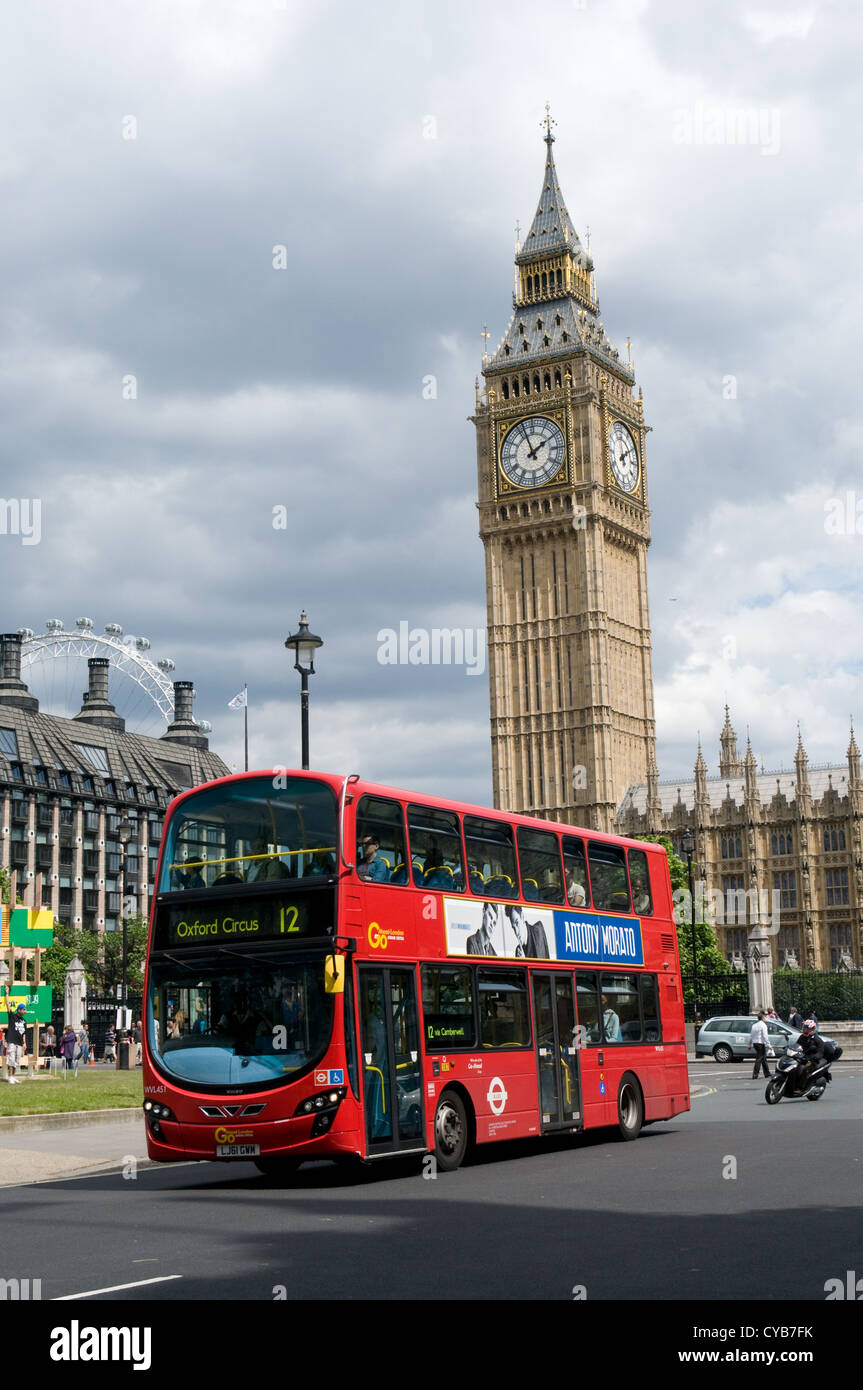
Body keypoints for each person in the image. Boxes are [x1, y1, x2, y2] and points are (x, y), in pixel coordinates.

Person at [3, 986, 28, 1083]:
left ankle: (13, 1076)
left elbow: (24, 1033)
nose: (25, 1011)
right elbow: (8, 1005)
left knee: (17, 1060)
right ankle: (10, 1077)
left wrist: (24, 1043)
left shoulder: (24, 1021)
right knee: (11, 1058)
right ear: (19, 1010)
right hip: (12, 1041)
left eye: (25, 1010)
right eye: (23, 1010)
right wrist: (7, 993)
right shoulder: (12, 1017)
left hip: (20, 1042)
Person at [750, 1010, 770, 1078]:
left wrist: (749, 1044)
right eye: (765, 1017)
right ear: (763, 1018)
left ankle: (767, 1073)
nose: (765, 1018)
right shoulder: (763, 1025)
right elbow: (765, 1036)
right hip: (760, 1043)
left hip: (755, 1043)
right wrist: (769, 1045)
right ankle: (755, 1074)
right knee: (759, 1058)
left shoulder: (754, 1025)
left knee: (763, 1058)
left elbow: (751, 1035)